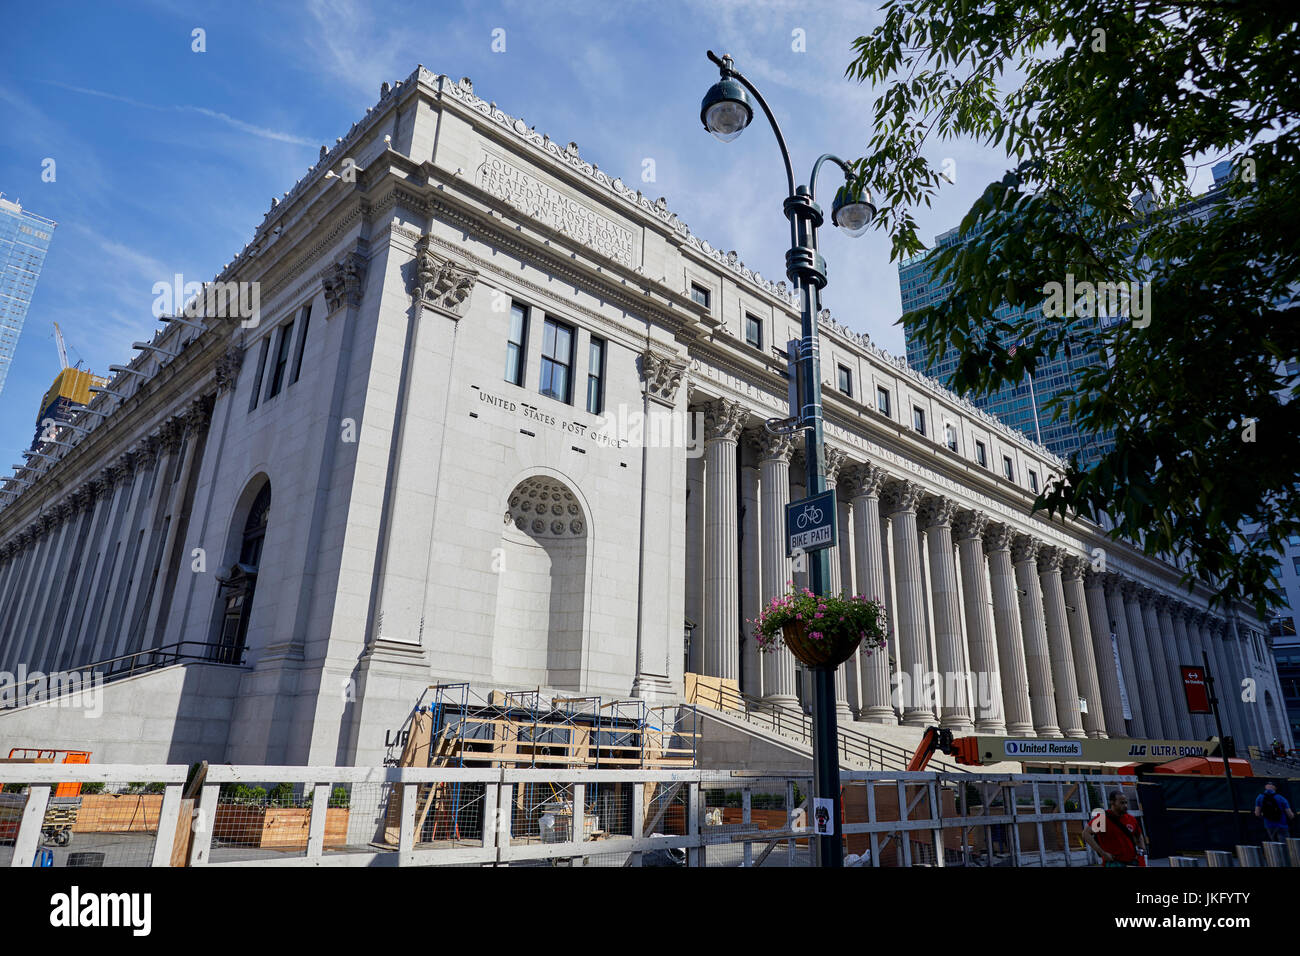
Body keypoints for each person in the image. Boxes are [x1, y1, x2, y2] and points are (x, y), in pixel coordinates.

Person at [1081, 791, 1147, 867]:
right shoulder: (1103, 819)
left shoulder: (1130, 819)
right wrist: (1103, 853)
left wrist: (1142, 852)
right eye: (1122, 803)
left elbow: (1138, 835)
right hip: (1114, 862)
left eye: (1126, 803)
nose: (1125, 805)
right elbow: (1086, 834)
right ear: (1112, 802)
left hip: (1132, 862)